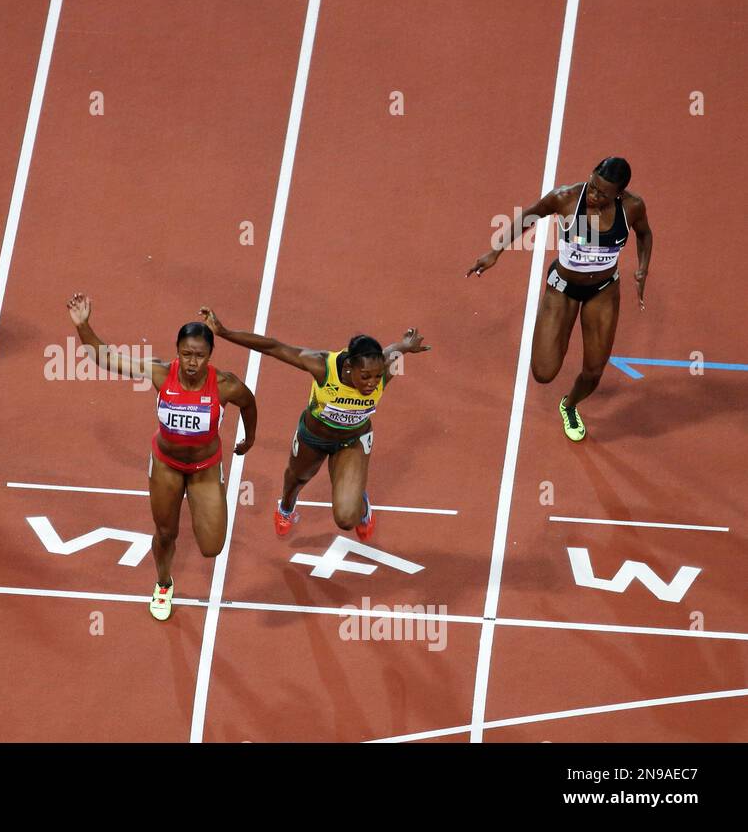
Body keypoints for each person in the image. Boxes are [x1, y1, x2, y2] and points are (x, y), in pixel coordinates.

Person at [67, 293, 256, 621]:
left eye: (199, 355)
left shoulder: (225, 385)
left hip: (205, 468)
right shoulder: (159, 373)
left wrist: (249, 437)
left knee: (211, 547)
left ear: (210, 354)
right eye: (186, 354)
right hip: (167, 465)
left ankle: (197, 519)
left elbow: (249, 404)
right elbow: (107, 357)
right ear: (177, 352)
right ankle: (163, 583)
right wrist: (84, 326)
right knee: (166, 533)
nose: (192, 362)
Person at [199, 307, 428, 541]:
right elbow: (273, 347)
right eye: (366, 376)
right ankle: (286, 508)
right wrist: (223, 332)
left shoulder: (383, 366)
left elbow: (396, 349)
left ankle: (361, 502)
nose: (372, 383)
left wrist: (406, 345)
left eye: (377, 376)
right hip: (313, 437)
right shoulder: (322, 366)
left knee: (347, 519)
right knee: (295, 480)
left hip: (352, 441)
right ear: (349, 366)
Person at [466, 156, 653, 441]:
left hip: (603, 291)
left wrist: (642, 268)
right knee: (543, 372)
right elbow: (529, 215)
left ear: (620, 193)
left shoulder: (633, 207)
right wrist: (495, 251)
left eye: (603, 193)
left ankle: (569, 405)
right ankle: (560, 331)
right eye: (592, 186)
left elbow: (644, 234)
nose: (593, 194)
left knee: (593, 372)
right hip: (563, 287)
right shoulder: (565, 198)